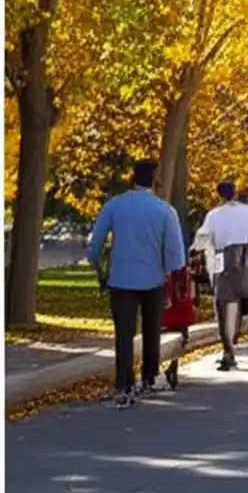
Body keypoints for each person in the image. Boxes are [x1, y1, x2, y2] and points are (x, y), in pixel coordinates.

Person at [87, 160, 186, 409]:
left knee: (124, 334)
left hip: (121, 279)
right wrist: (172, 277)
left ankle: (124, 383)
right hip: (154, 279)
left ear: (132, 179)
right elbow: (175, 253)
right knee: (152, 329)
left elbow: (94, 247)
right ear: (153, 182)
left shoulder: (114, 206)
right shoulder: (165, 210)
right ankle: (149, 376)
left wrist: (100, 271)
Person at [200, 180, 248, 371]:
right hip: (246, 261)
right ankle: (232, 343)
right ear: (235, 193)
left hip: (223, 263)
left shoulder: (213, 215)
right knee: (240, 303)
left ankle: (228, 346)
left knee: (225, 304)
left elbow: (204, 238)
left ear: (219, 195)